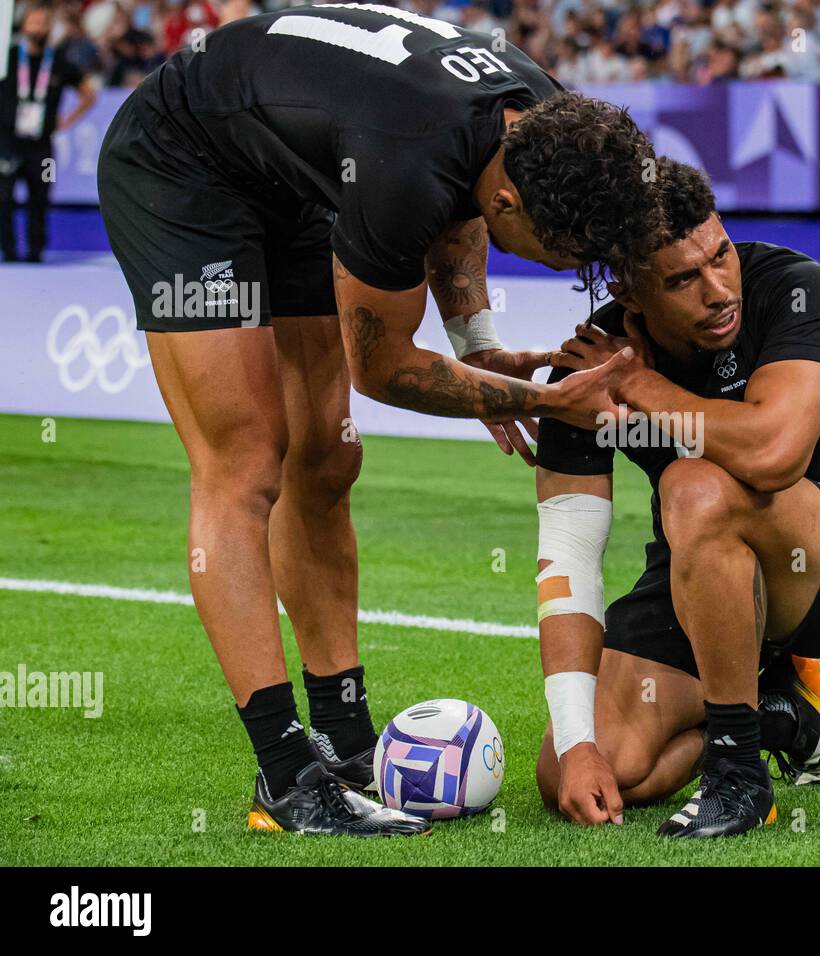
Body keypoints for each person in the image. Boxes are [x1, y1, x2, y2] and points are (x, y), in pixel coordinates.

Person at [97, 4, 658, 836]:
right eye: (562, 253)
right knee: (248, 461)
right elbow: (383, 365)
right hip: (186, 160)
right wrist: (540, 400)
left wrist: (477, 342)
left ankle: (344, 737)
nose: (574, 269)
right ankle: (288, 780)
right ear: (513, 197)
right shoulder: (409, 168)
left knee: (326, 460)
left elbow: (464, 211)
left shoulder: (542, 118)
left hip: (299, 164)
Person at [531, 160, 820, 838]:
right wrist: (579, 739)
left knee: (695, 483)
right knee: (576, 770)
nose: (718, 289)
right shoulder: (586, 368)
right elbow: (568, 559)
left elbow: (773, 452)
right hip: (698, 572)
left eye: (720, 254)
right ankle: (775, 716)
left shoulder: (792, 289)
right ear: (630, 293)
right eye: (682, 279)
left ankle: (738, 777)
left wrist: (645, 390)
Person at [0, 0, 98, 262]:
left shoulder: (59, 62)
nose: (38, 28)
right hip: (8, 142)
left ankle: (35, 251)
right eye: (33, 22)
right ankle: (7, 251)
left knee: (40, 198)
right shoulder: (7, 57)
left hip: (42, 145)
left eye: (43, 23)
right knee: (3, 197)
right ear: (23, 25)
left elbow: (89, 93)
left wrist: (67, 120)